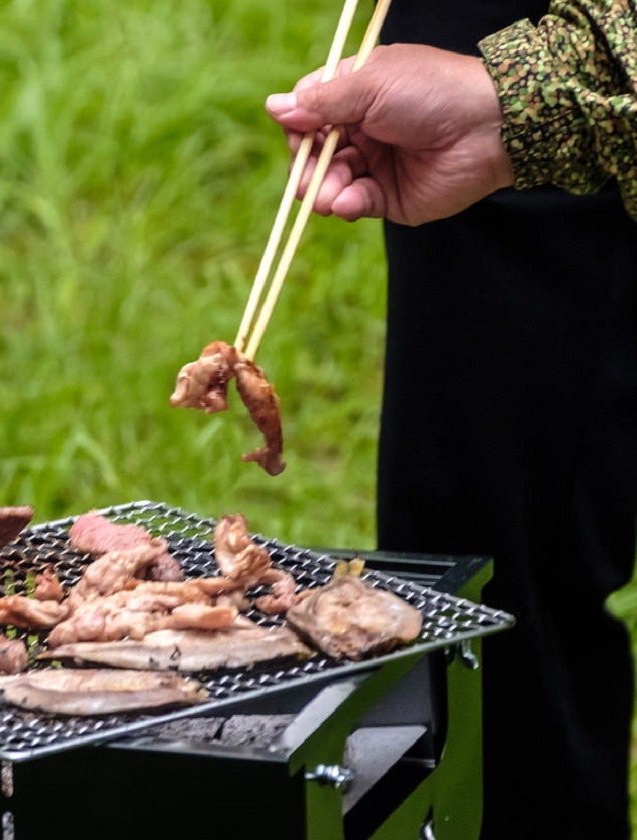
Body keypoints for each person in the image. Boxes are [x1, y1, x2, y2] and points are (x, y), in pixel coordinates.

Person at [266, 3, 637, 838]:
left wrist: (521, 98)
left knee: (514, 602)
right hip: (482, 44)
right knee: (472, 577)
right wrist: (504, 105)